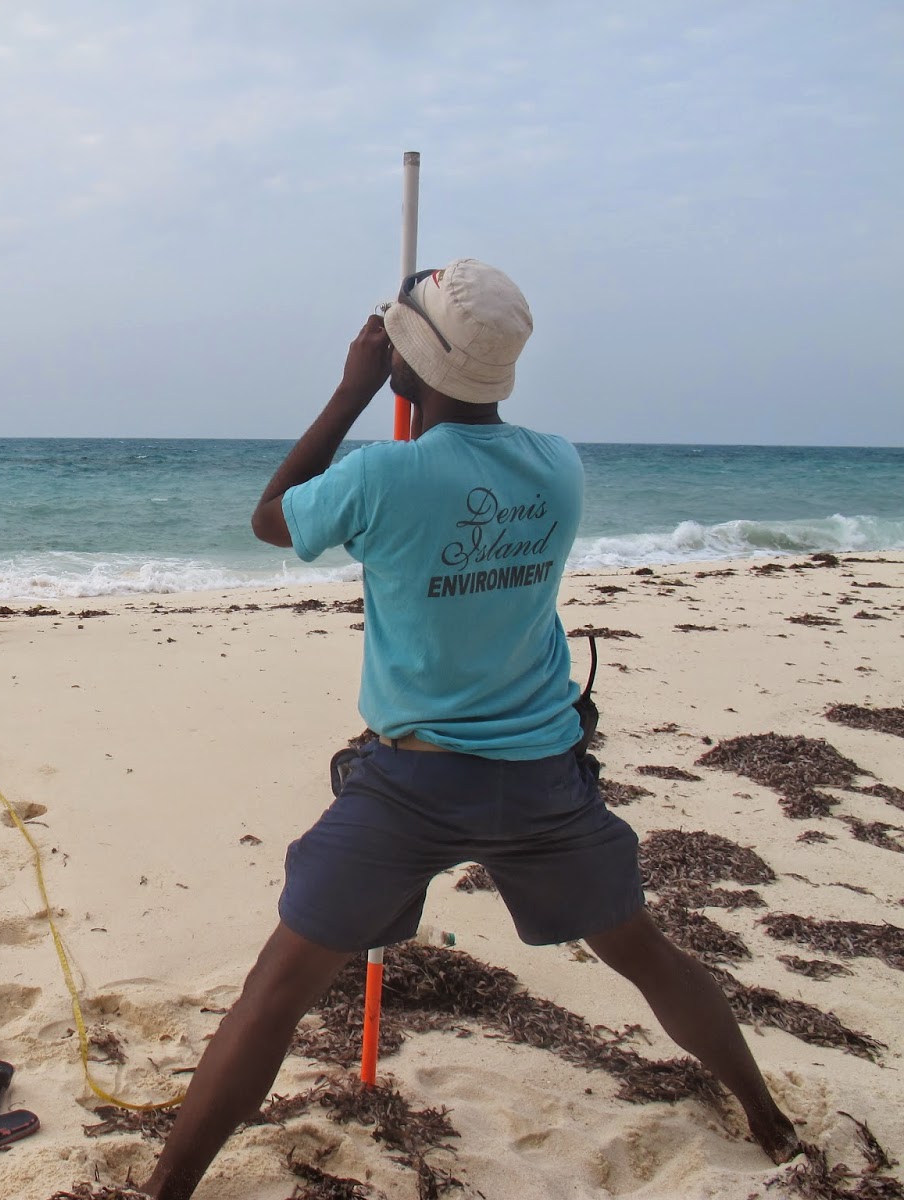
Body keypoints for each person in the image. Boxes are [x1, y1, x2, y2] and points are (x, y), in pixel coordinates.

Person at [141, 259, 799, 1199]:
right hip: (541, 774)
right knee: (642, 950)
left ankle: (167, 1190)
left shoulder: (386, 474)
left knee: (278, 989)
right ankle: (766, 1115)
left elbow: (270, 520)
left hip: (411, 784)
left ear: (407, 362)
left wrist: (353, 389)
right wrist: (406, 383)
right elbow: (452, 474)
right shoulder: (557, 463)